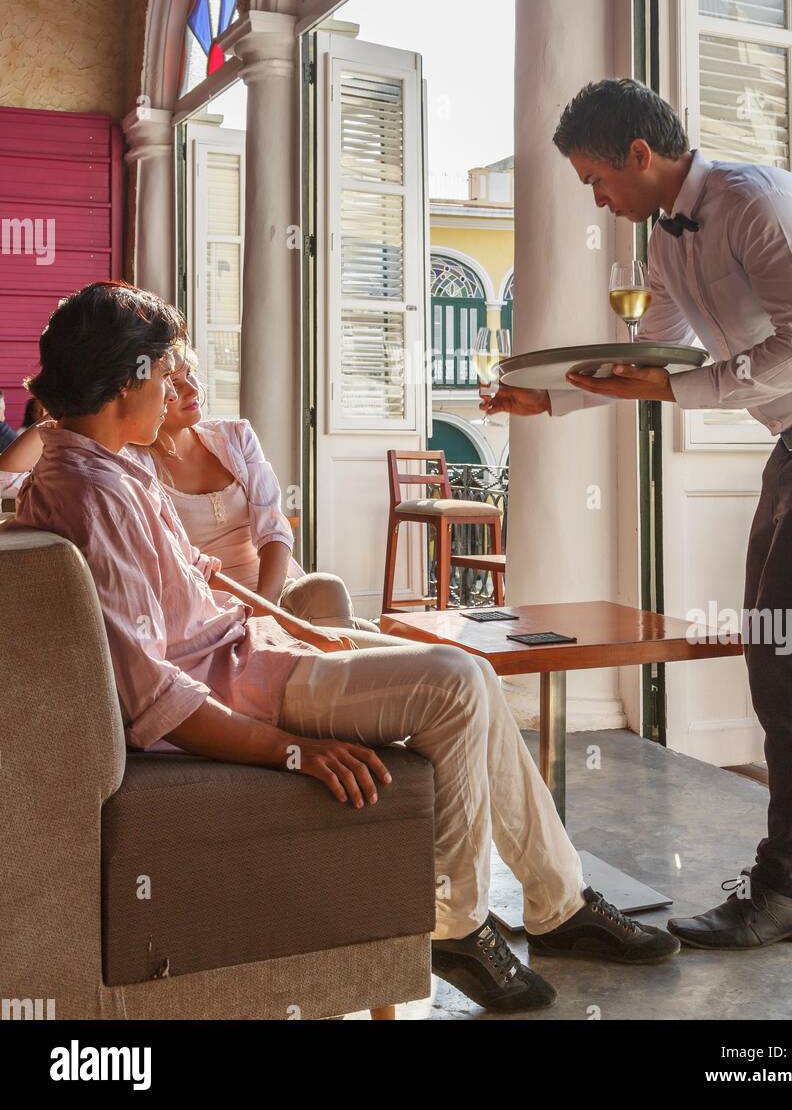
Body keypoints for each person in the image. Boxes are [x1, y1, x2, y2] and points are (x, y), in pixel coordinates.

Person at [14, 280, 680, 1013]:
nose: (178, 385)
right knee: (457, 684)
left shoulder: (109, 470)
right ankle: (460, 924)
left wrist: (304, 628)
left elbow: (200, 578)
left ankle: (558, 903)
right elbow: (153, 696)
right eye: (167, 373)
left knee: (472, 678)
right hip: (234, 684)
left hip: (248, 652)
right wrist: (286, 749)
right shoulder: (91, 492)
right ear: (129, 378)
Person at [485, 78, 792, 949]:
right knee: (780, 645)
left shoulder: (758, 201)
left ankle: (790, 889)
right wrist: (548, 402)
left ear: (640, 154)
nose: (595, 198)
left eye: (596, 178)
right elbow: (648, 358)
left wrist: (676, 385)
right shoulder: (666, 242)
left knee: (786, 653)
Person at [0, 341, 376, 636]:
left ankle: (377, 641)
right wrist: (71, 413)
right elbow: (7, 478)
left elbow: (274, 531)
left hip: (276, 592)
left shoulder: (235, 436)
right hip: (214, 610)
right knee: (357, 641)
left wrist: (267, 607)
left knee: (326, 590)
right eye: (173, 383)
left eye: (191, 374)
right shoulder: (130, 465)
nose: (190, 389)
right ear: (138, 393)